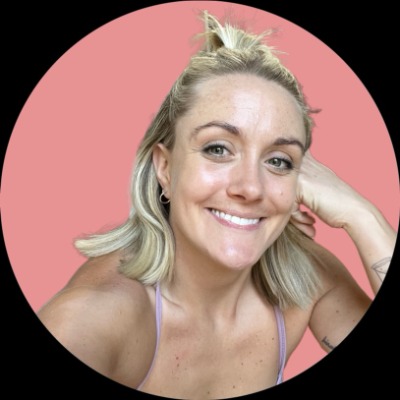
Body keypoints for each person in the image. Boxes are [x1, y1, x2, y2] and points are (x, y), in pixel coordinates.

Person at [37, 11, 396, 399]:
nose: (250, 188)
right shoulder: (94, 317)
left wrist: (361, 215)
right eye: (218, 149)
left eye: (278, 161)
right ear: (165, 169)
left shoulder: (307, 279)